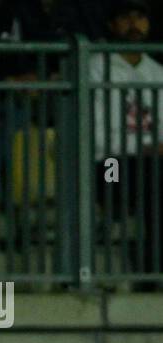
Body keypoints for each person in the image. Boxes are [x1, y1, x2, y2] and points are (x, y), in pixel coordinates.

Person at [90, 0, 163, 279]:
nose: (134, 23)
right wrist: (144, 147)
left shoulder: (157, 72)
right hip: (109, 168)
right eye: (126, 16)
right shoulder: (95, 67)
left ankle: (151, 271)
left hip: (151, 167)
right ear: (111, 24)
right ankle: (150, 273)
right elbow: (97, 139)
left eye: (140, 16)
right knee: (153, 182)